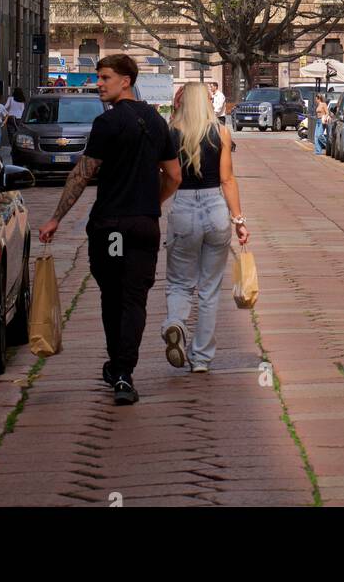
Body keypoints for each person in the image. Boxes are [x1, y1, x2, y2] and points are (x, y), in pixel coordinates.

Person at [39, 54, 180, 406]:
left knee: (112, 296)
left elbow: (82, 174)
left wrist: (56, 217)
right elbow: (174, 176)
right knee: (134, 300)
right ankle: (123, 371)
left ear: (125, 81)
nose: (98, 84)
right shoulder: (157, 121)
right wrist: (151, 204)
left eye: (104, 78)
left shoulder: (108, 123)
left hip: (110, 228)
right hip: (143, 225)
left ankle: (118, 367)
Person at [162, 82, 248, 373]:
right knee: (210, 289)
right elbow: (228, 179)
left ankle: (175, 322)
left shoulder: (170, 133)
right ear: (207, 102)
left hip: (184, 207)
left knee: (179, 282)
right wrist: (239, 221)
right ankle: (201, 358)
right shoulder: (221, 132)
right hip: (215, 209)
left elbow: (166, 176)